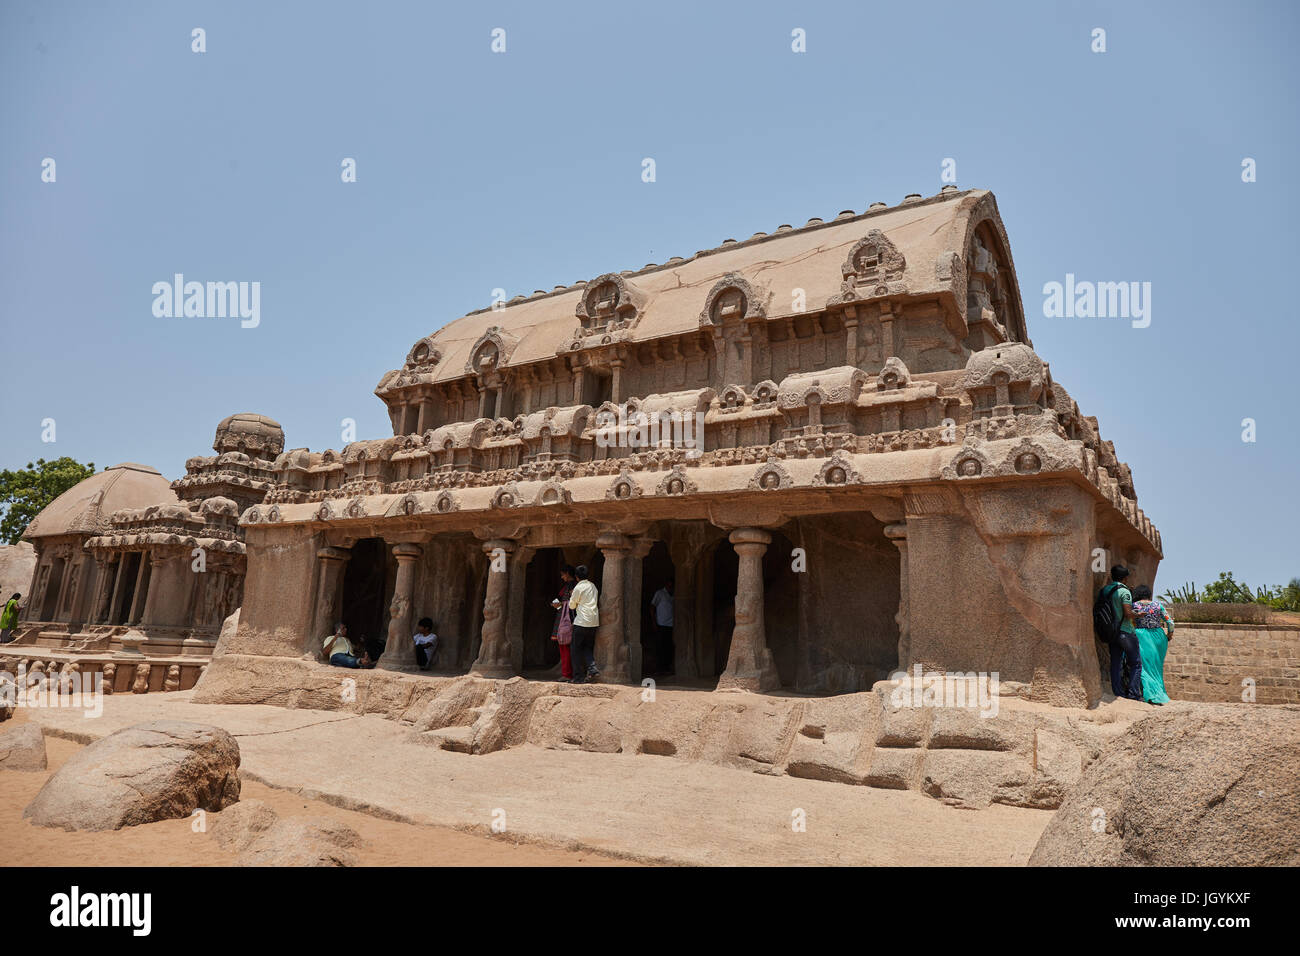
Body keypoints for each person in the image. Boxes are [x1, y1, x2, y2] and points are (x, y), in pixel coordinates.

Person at [1097, 565, 1142, 700]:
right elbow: (1128, 613)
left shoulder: (1105, 590)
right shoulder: (1125, 592)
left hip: (1112, 632)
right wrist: (1140, 614)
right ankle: (1133, 694)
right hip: (1126, 631)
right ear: (1125, 578)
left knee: (1115, 663)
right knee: (1135, 663)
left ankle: (1118, 693)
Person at [1131, 585, 1174, 705]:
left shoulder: (1134, 606)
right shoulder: (1158, 605)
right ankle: (1159, 693)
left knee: (1144, 666)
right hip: (1158, 637)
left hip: (1141, 636)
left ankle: (1149, 694)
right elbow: (1170, 622)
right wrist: (1170, 634)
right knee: (1156, 667)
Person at [568, 564, 600, 684]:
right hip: (594, 622)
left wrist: (572, 596)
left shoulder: (578, 588)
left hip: (581, 621)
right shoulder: (593, 586)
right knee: (587, 647)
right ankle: (592, 668)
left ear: (576, 577)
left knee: (575, 649)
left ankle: (578, 677)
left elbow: (572, 605)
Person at [550, 565, 576, 682]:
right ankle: (568, 673)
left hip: (567, 619)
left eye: (563, 574)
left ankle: (567, 674)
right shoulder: (567, 586)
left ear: (568, 573)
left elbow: (570, 603)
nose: (562, 577)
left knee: (565, 647)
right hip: (565, 617)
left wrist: (560, 605)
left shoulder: (572, 586)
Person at [650, 579, 675, 675]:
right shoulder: (660, 593)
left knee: (668, 647)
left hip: (671, 625)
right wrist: (654, 622)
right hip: (661, 624)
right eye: (669, 584)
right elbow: (652, 607)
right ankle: (659, 669)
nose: (670, 586)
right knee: (660, 647)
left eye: (672, 585)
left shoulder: (673, 595)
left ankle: (667, 668)